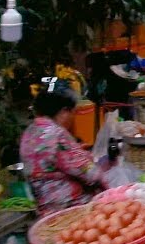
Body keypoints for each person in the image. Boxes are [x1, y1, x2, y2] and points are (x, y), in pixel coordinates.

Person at [20, 84, 105, 214]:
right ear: (64, 111)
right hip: (68, 205)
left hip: (42, 204)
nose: (73, 118)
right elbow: (89, 173)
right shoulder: (57, 134)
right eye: (73, 112)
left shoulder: (30, 131)